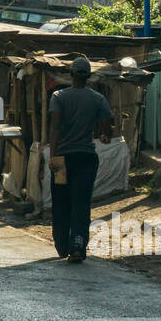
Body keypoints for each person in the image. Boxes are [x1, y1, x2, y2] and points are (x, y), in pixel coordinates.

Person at [46, 56, 115, 263]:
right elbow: (106, 132)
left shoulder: (58, 96)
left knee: (61, 201)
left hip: (62, 159)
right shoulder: (98, 99)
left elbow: (55, 127)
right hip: (86, 158)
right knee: (81, 203)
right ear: (89, 76)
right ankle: (77, 247)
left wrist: (53, 156)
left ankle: (61, 245)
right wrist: (103, 135)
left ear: (71, 75)